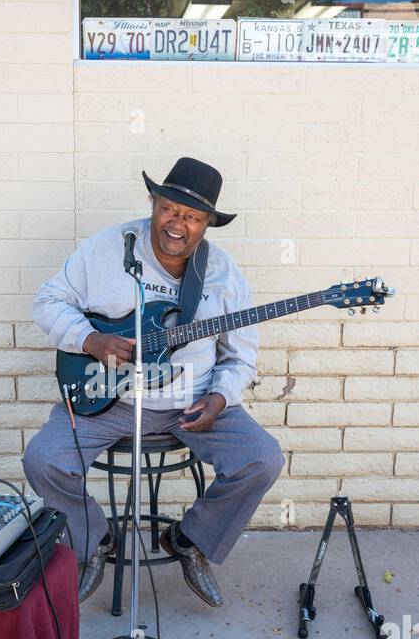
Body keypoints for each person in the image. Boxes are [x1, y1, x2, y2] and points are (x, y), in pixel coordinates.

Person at [24, 157, 285, 608]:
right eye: (169, 209)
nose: (177, 224)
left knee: (261, 460)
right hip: (110, 399)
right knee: (44, 460)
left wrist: (221, 397)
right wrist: (90, 340)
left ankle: (190, 541)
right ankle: (93, 543)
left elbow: (240, 356)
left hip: (192, 402)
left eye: (193, 217)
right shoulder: (108, 249)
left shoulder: (222, 274)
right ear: (153, 204)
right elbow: (49, 300)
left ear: (206, 224)